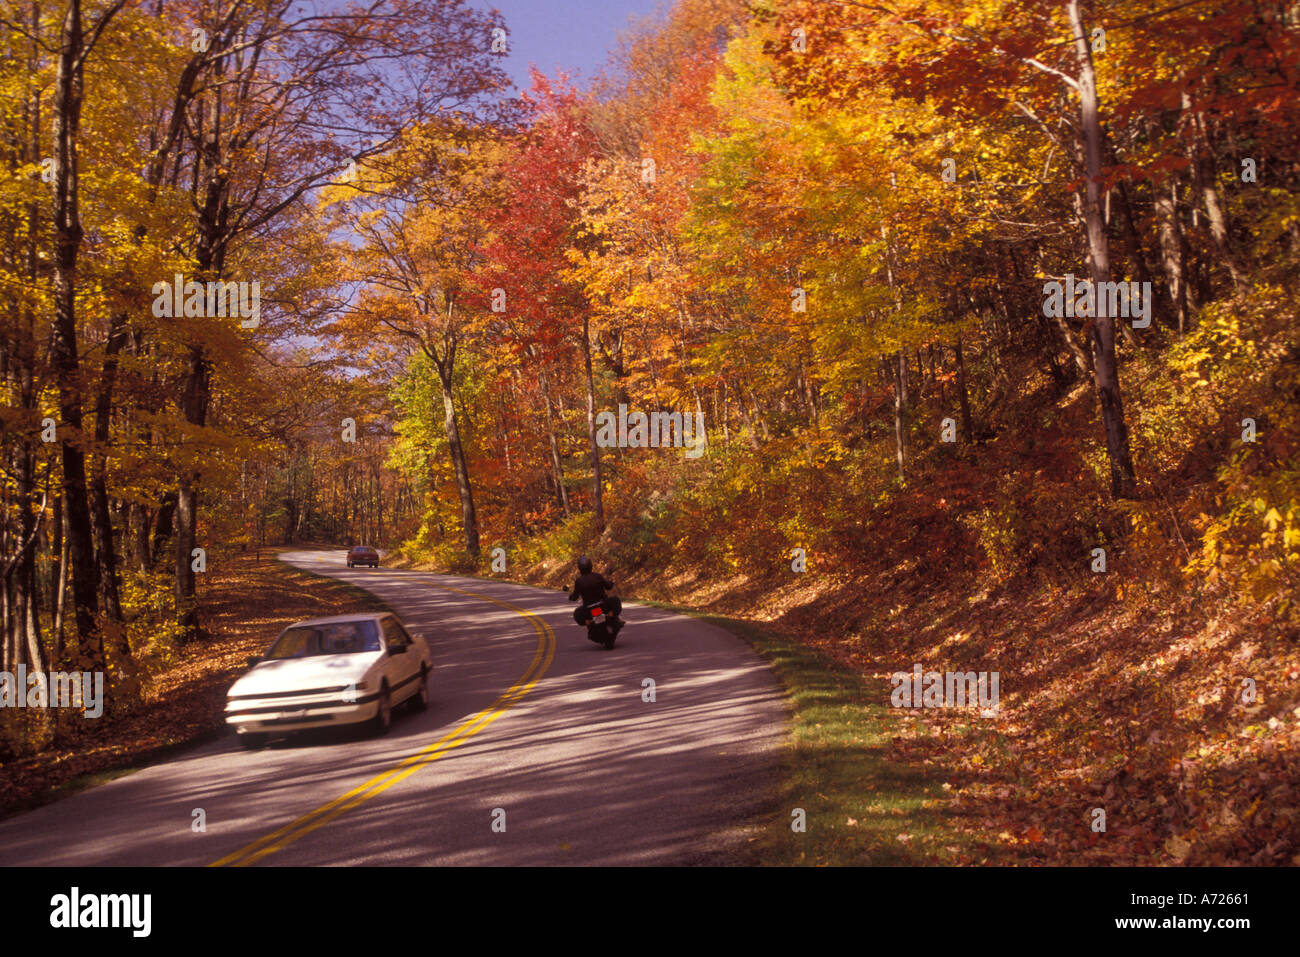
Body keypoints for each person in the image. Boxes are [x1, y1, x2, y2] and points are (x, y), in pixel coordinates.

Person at [568, 556, 623, 630]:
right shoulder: (597, 576)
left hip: (588, 608)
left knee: (577, 614)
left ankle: (588, 622)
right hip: (603, 604)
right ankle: (611, 615)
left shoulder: (578, 581)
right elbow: (608, 587)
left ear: (579, 568)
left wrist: (571, 597)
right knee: (616, 600)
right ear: (591, 566)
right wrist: (611, 583)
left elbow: (575, 597)